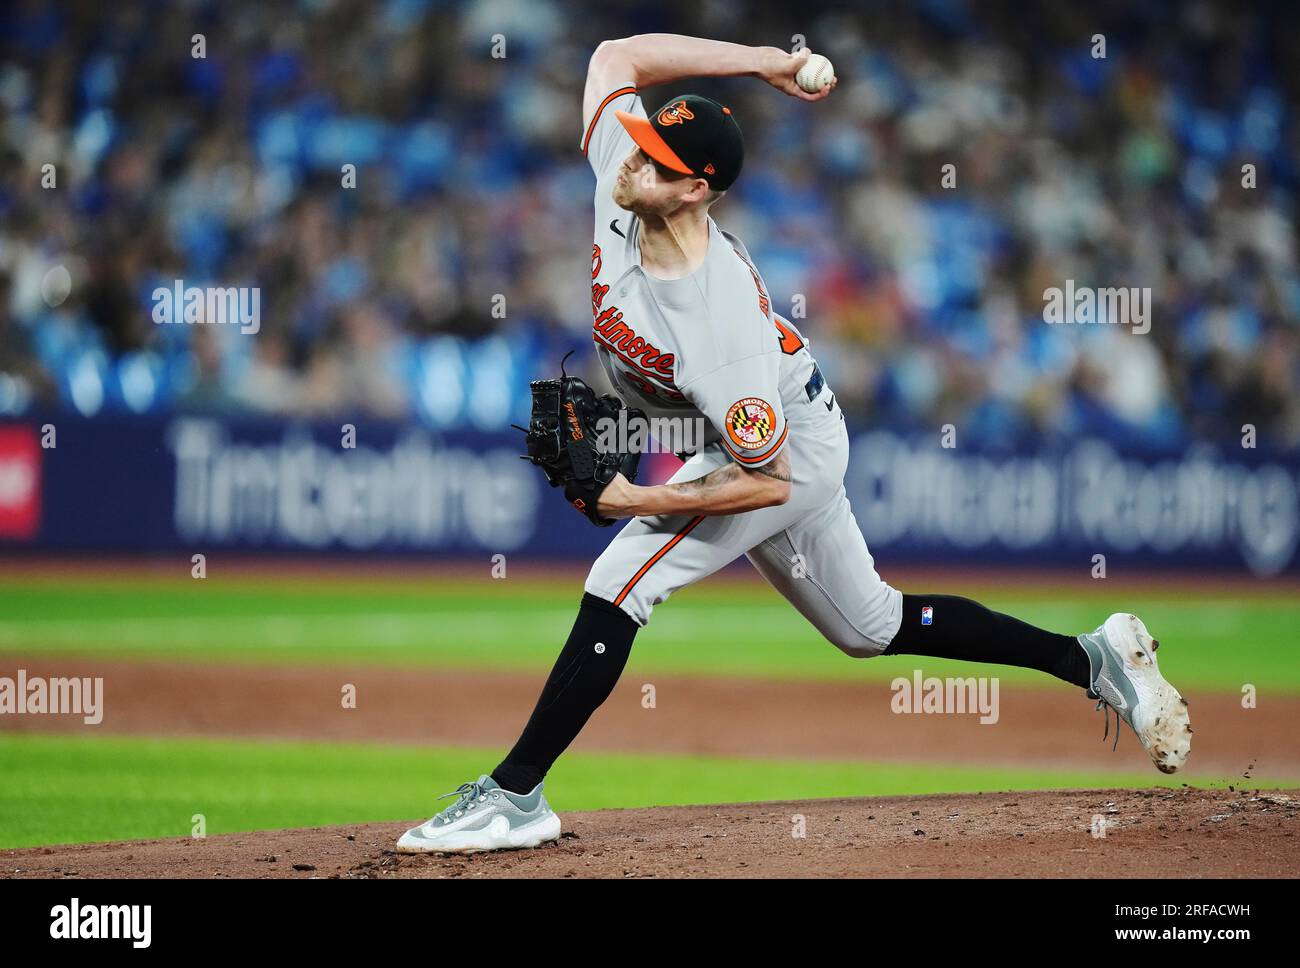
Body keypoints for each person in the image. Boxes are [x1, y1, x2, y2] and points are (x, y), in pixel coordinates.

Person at [396, 34, 1191, 855]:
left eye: (658, 161)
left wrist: (638, 499)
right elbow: (612, 57)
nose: (632, 163)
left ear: (697, 189)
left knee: (620, 576)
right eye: (639, 143)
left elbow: (769, 480)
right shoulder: (625, 172)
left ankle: (515, 795)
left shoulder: (717, 323)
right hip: (769, 425)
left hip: (788, 454)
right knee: (870, 625)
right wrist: (765, 62)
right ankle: (1094, 659)